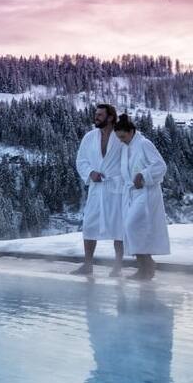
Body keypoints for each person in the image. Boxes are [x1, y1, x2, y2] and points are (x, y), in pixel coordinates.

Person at [114, 114, 170, 280]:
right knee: (131, 229)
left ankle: (149, 265)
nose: (121, 140)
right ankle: (144, 268)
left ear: (131, 131)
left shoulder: (145, 144)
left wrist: (143, 175)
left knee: (133, 227)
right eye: (119, 138)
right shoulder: (126, 147)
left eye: (123, 136)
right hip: (131, 194)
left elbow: (161, 166)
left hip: (146, 194)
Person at [71, 104, 125, 277]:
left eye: (100, 115)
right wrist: (90, 173)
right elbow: (81, 160)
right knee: (90, 225)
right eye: (96, 114)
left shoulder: (120, 136)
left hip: (116, 187)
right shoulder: (89, 137)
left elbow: (132, 158)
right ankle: (88, 264)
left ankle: (118, 265)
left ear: (110, 117)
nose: (96, 117)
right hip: (97, 187)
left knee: (119, 227)